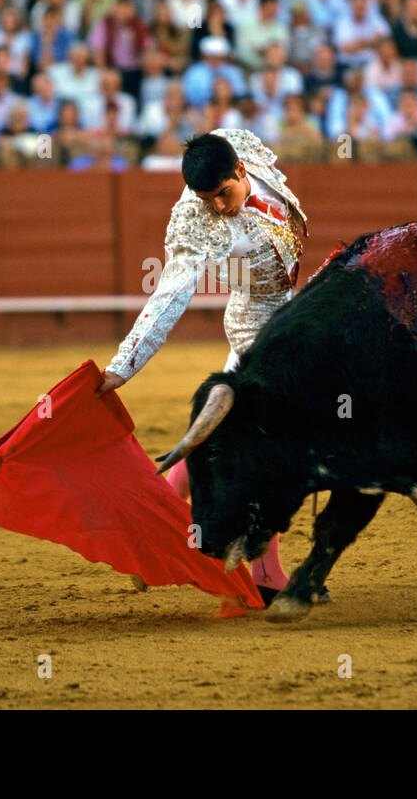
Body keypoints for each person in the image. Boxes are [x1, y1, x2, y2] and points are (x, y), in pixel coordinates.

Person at [95, 127, 315, 605]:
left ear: (240, 169)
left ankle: (149, 533)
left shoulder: (238, 144)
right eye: (206, 198)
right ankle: (266, 574)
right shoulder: (198, 223)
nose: (217, 206)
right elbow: (170, 294)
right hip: (258, 330)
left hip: (287, 317)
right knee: (268, 448)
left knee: (218, 435)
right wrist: (123, 365)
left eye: (223, 194)